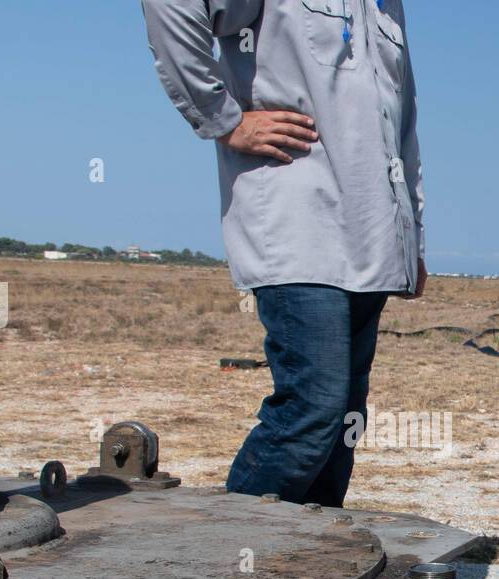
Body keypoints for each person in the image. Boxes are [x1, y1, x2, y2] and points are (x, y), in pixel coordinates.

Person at [140, 0, 425, 507]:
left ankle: (306, 561)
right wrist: (223, 119)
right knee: (311, 410)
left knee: (343, 420)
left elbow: (403, 126)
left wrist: (412, 235)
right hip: (300, 227)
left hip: (374, 235)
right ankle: (230, 560)